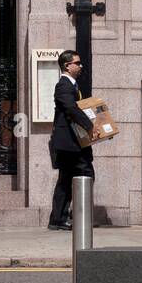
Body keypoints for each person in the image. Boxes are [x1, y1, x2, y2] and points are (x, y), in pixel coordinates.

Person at [47, 49, 102, 231]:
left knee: (68, 180)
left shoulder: (74, 86)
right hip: (68, 144)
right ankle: (65, 218)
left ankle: (61, 218)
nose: (80, 66)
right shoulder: (63, 85)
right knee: (82, 175)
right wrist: (90, 125)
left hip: (75, 143)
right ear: (67, 65)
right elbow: (71, 108)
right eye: (77, 63)